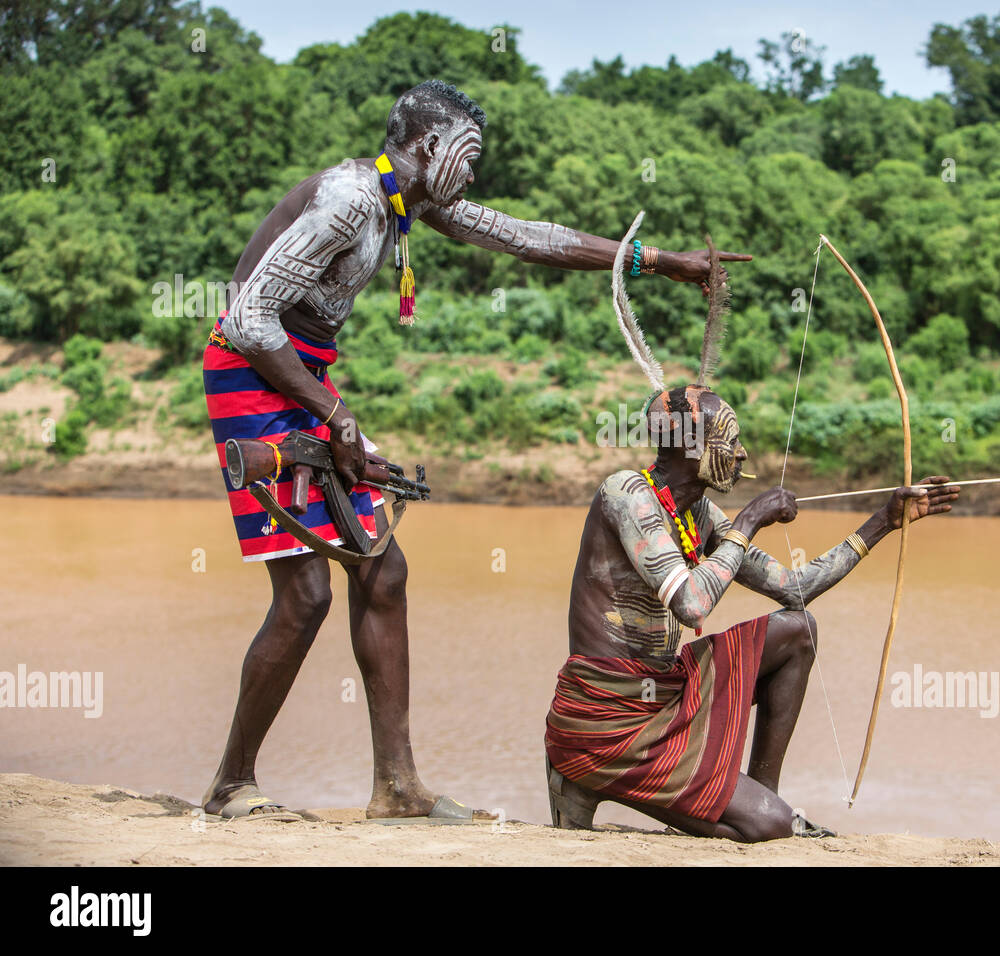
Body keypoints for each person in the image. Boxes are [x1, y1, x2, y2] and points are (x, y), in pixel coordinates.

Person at [201, 80, 748, 821]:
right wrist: (337, 416)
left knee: (382, 571)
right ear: (428, 146)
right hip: (254, 377)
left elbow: (528, 236)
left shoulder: (410, 205)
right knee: (305, 595)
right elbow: (246, 321)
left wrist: (661, 261)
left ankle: (397, 786)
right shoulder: (352, 198)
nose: (473, 172)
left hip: (305, 381)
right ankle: (233, 784)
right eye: (468, 154)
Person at [543, 219, 959, 841]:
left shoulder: (699, 517)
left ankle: (763, 795)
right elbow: (689, 600)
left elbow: (793, 589)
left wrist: (883, 523)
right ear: (688, 449)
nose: (739, 455)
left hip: (660, 696)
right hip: (605, 719)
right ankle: (594, 775)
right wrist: (751, 520)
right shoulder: (627, 495)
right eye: (727, 442)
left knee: (797, 631)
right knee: (766, 829)